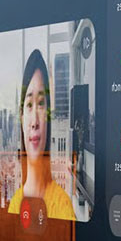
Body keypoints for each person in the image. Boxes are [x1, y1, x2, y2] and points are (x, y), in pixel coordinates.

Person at [7, 49, 76, 221]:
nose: (35, 122)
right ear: (21, 117)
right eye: (29, 104)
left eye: (41, 104)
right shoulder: (14, 204)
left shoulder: (63, 207)